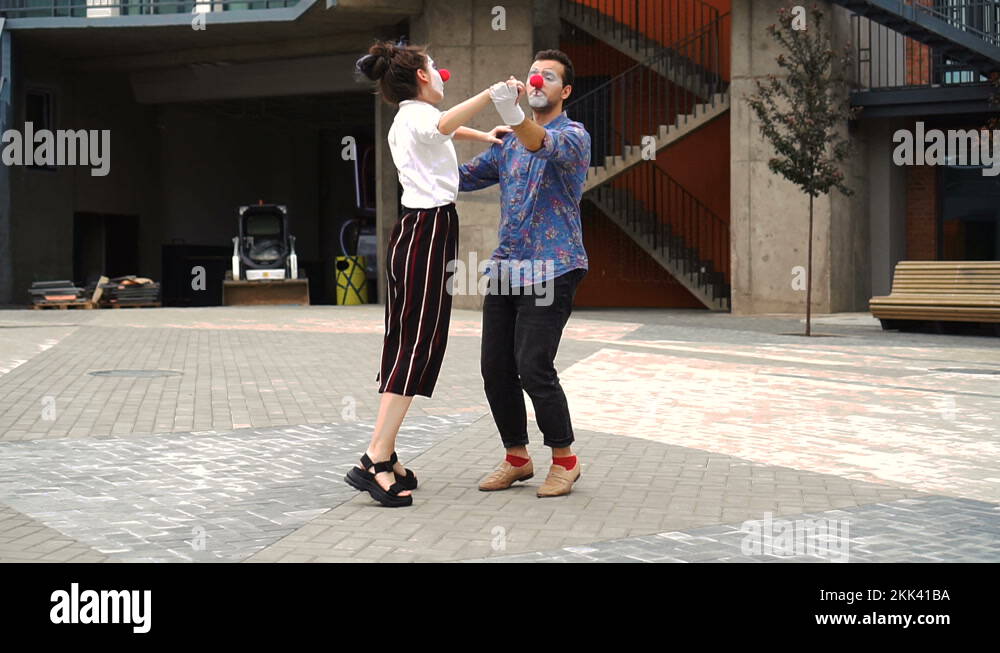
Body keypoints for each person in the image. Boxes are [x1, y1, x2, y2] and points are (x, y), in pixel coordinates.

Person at [350, 38, 510, 507]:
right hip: (428, 231)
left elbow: (444, 131)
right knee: (416, 344)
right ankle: (374, 459)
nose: (441, 73)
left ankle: (385, 451)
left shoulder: (406, 118)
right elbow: (443, 123)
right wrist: (493, 92)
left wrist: (485, 137)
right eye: (435, 68)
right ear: (421, 76)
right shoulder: (421, 115)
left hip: (414, 230)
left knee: (405, 341)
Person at [458, 50, 591, 498]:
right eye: (533, 75)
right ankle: (517, 457)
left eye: (548, 77)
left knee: (533, 366)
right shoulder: (507, 143)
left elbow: (540, 142)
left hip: (554, 266)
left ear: (564, 91)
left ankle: (565, 460)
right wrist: (424, 137)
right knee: (495, 369)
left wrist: (512, 115)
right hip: (507, 267)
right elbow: (458, 178)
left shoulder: (573, 135)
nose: (537, 82)